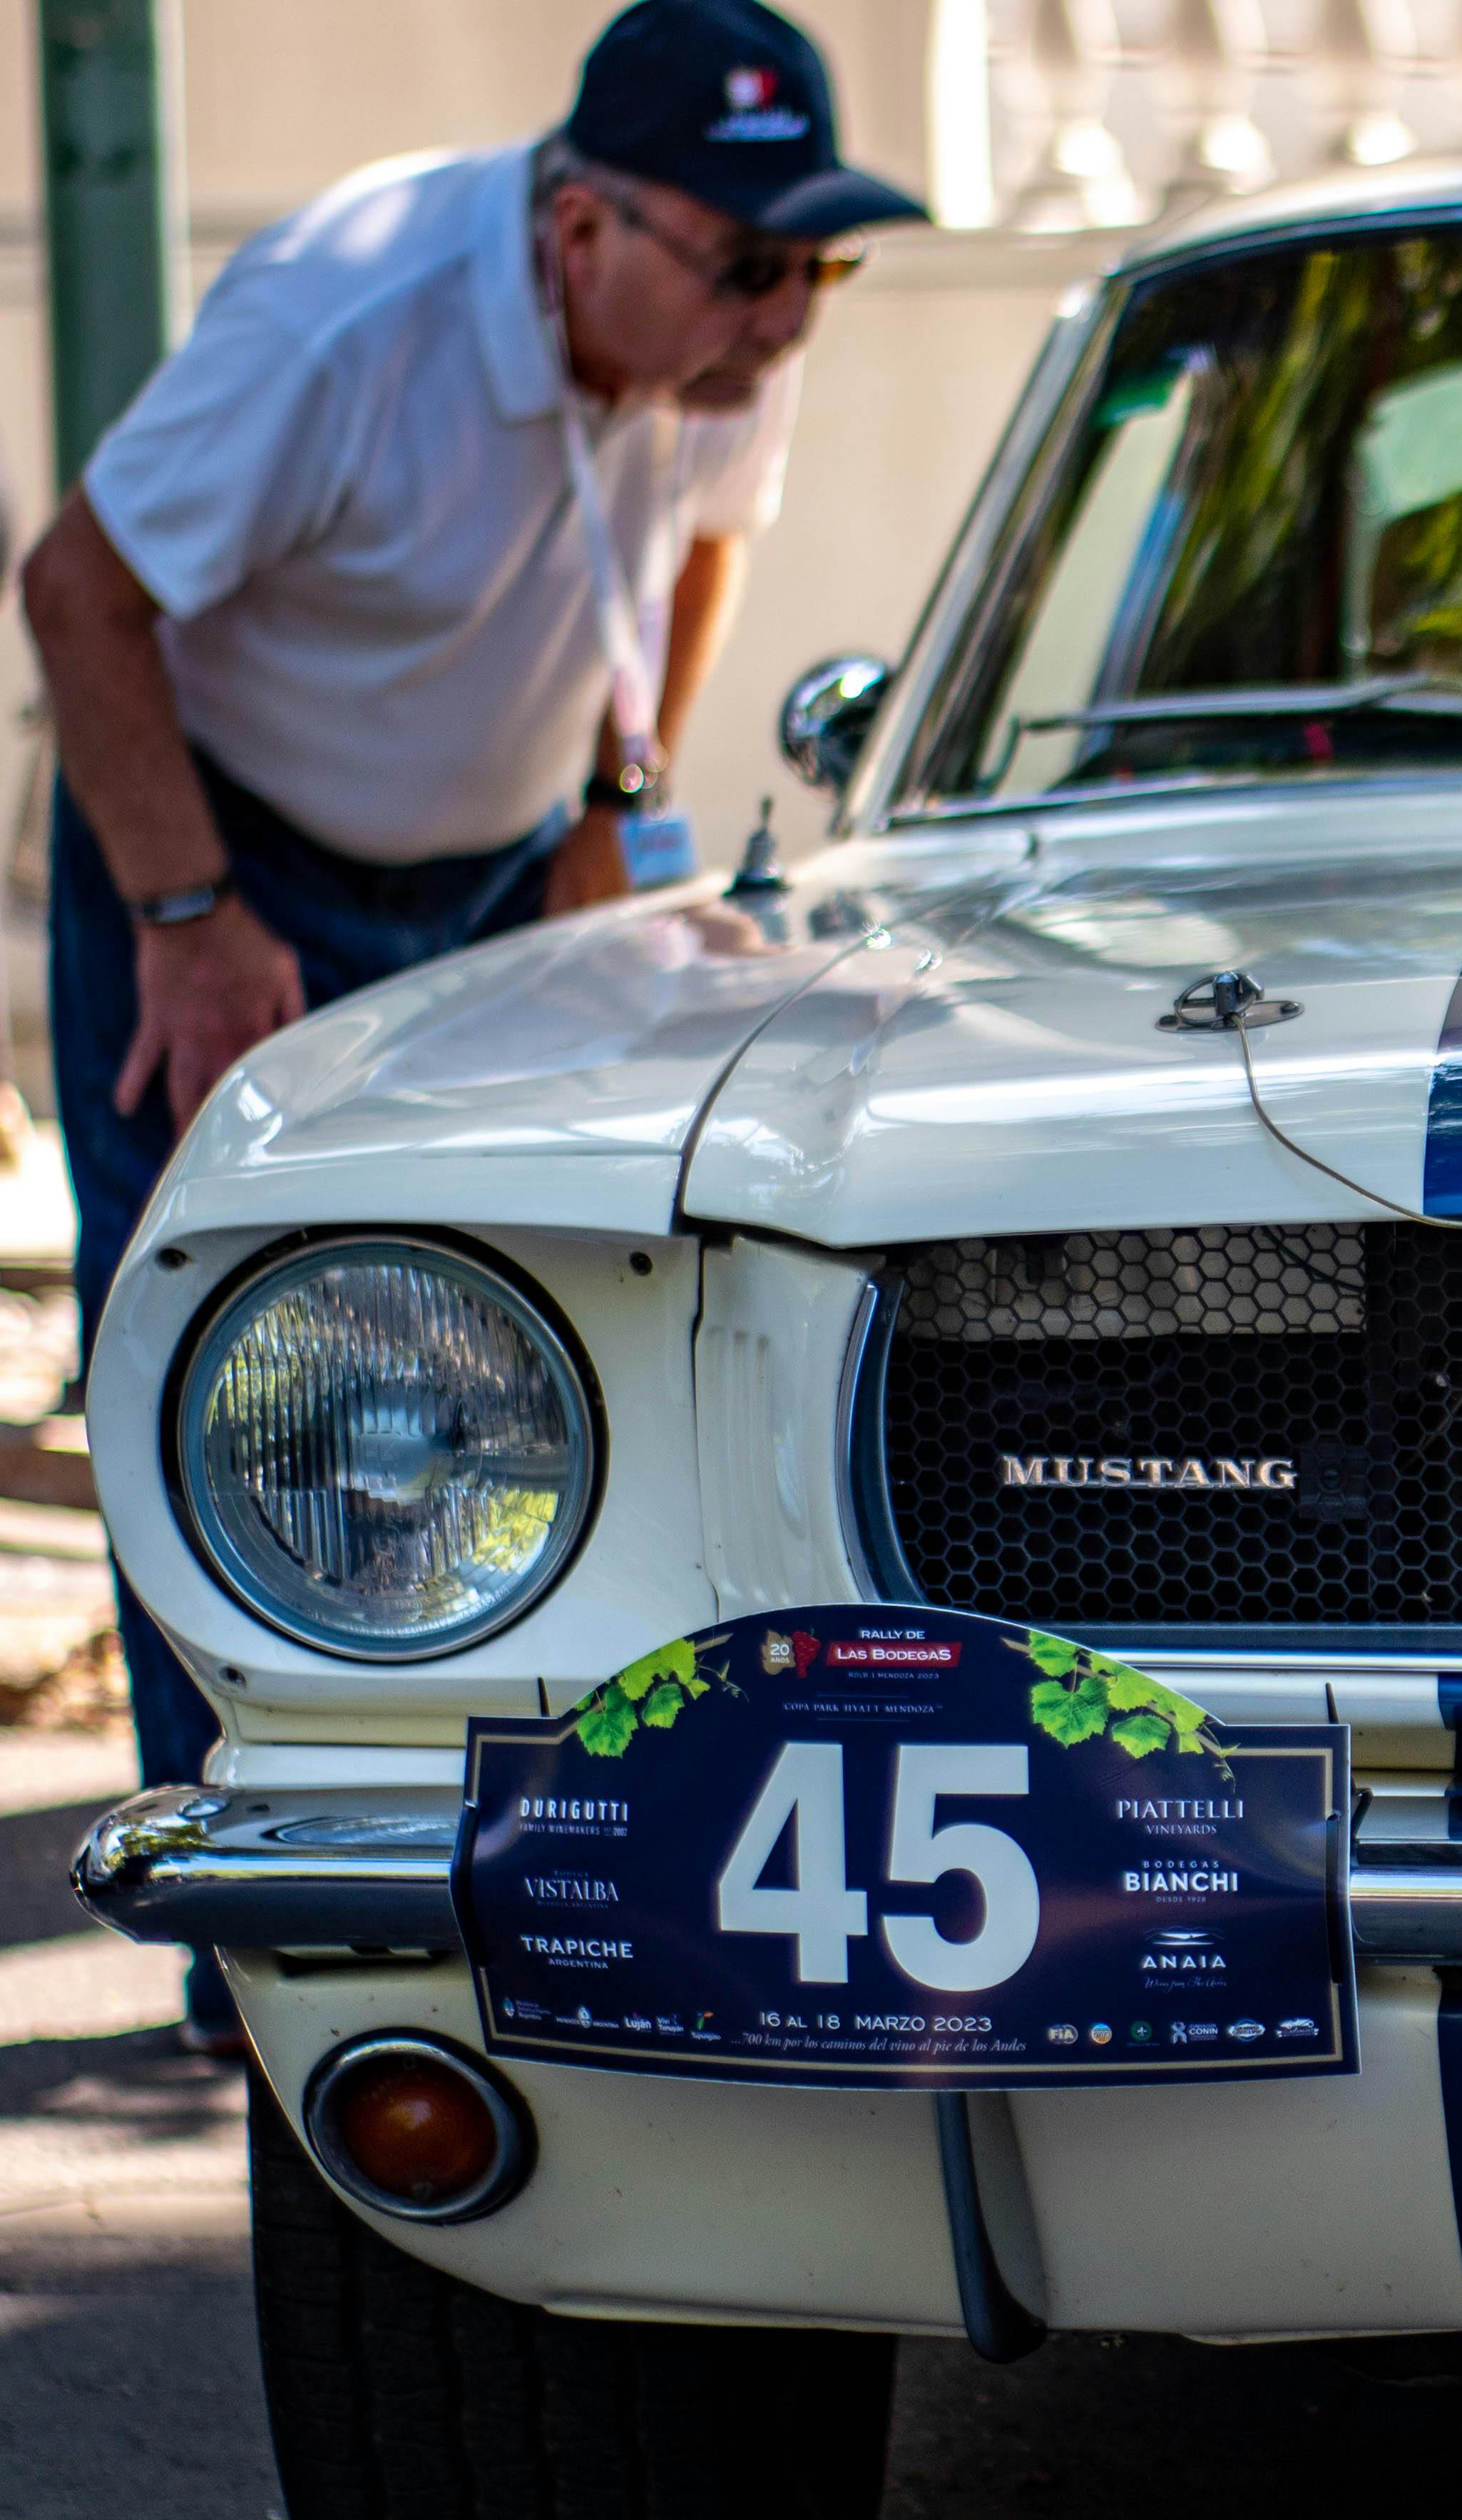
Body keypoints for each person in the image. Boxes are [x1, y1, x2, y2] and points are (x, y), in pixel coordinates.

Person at [16, 0, 921, 2045]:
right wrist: (186, 913)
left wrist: (619, 798)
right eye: (748, 264)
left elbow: (707, 541)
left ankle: (530, 1865)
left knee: (522, 1332)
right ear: (580, 223)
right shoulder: (355, 314)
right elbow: (80, 586)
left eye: (814, 266)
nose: (785, 317)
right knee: (230, 1368)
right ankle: (257, 1941)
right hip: (227, 848)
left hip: (503, 858)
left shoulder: (713, 324)